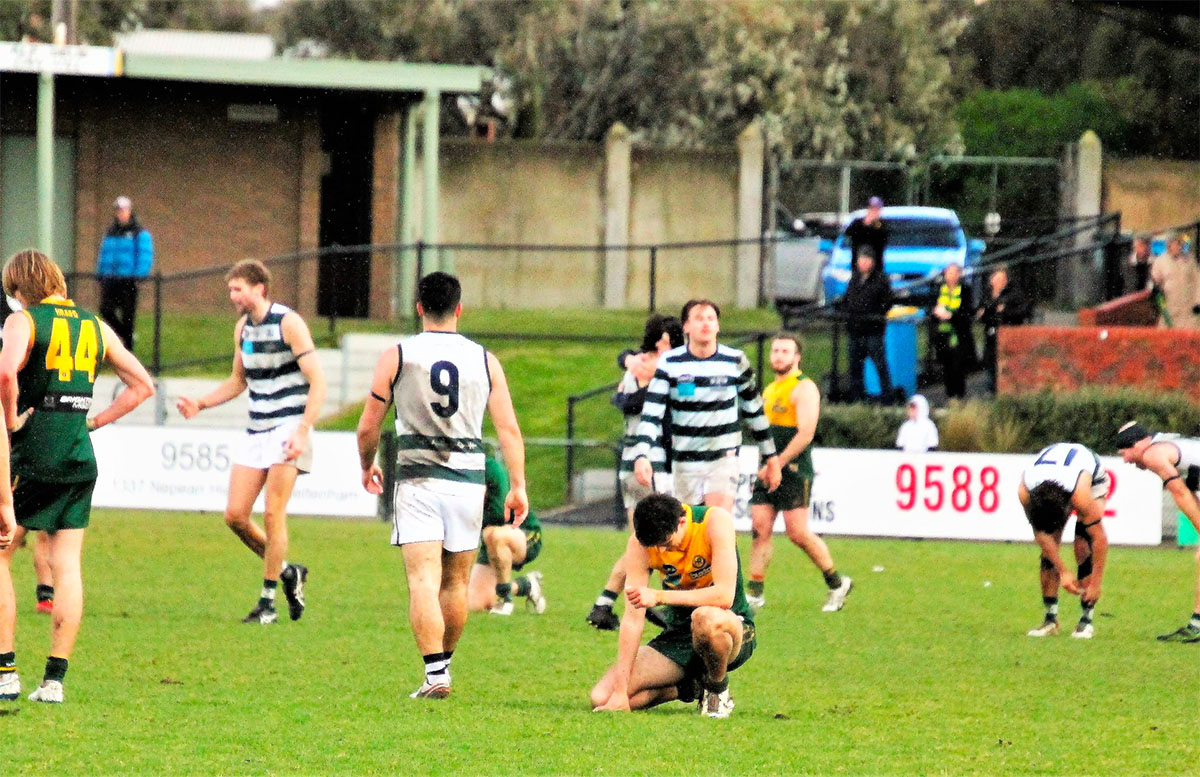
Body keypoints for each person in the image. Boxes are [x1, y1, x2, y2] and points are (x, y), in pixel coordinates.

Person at [356, 271, 527, 699]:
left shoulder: (398, 355)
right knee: (456, 583)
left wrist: (368, 464)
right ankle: (443, 668)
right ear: (459, 309)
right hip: (468, 482)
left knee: (422, 581)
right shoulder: (485, 359)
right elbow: (508, 428)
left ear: (418, 309)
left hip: (417, 479)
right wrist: (517, 485)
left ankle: (435, 675)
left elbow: (367, 427)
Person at [0, 249, 155, 703]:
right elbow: (143, 385)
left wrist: (12, 422)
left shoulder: (23, 322)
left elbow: (7, 373)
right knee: (68, 565)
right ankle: (53, 682)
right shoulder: (95, 325)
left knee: (2, 557)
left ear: (20, 288)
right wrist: (95, 420)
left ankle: (6, 672)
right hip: (78, 453)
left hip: (31, 453)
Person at [176, 260, 325, 625]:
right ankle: (289, 572)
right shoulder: (242, 328)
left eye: (237, 289)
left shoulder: (289, 323)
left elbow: (318, 380)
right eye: (230, 290)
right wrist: (201, 402)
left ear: (259, 288)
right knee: (236, 516)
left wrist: (303, 430)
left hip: (289, 428)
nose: (232, 297)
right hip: (257, 430)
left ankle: (268, 603)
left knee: (274, 513)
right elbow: (237, 381)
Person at [590, 494, 755, 719]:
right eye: (656, 547)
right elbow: (632, 619)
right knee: (601, 697)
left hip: (730, 627)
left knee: (704, 618)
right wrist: (620, 691)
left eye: (666, 544)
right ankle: (690, 687)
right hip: (677, 637)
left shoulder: (714, 522)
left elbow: (724, 596)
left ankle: (717, 689)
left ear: (682, 521)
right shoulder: (639, 545)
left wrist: (659, 596)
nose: (663, 552)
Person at [633, 299, 781, 513]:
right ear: (686, 326)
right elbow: (651, 413)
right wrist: (642, 454)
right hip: (685, 461)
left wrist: (771, 458)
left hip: (722, 459)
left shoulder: (734, 361)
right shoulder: (671, 363)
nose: (706, 324)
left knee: (717, 522)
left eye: (711, 319)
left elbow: (754, 411)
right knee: (692, 530)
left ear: (718, 326)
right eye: (699, 318)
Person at [587, 314, 683, 631]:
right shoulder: (660, 370)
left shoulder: (636, 364)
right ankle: (666, 605)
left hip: (629, 459)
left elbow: (624, 398)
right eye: (674, 338)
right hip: (648, 459)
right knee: (659, 540)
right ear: (663, 342)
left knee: (640, 542)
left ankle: (603, 605)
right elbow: (639, 403)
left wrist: (627, 364)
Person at [746, 333, 852, 612]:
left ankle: (836, 583)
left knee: (797, 533)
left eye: (785, 351)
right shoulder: (769, 389)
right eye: (775, 351)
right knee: (759, 527)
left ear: (797, 357)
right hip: (768, 468)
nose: (778, 355)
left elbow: (805, 434)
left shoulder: (804, 388)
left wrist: (777, 464)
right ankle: (754, 594)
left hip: (792, 469)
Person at [1114, 422, 1200, 642]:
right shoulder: (1161, 442)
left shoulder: (1152, 454)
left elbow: (1179, 493)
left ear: (1139, 444)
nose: (1126, 460)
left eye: (1126, 453)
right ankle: (1197, 623)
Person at [1018, 442, 1109, 640]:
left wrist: (1096, 584)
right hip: (1058, 476)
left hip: (1088, 476)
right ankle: (1050, 620)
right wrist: (1063, 570)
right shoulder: (1025, 492)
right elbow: (1041, 535)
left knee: (1083, 546)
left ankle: (1086, 622)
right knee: (1049, 549)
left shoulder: (1081, 496)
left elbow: (1100, 539)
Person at [466, 455, 545, 616]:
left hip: (523, 533)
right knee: (475, 603)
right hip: (490, 541)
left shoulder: (490, 468)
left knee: (493, 535)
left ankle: (505, 600)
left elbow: (501, 515)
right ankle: (526, 585)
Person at [96, 196, 154, 350]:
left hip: (128, 280)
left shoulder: (138, 233)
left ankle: (128, 349)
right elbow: (105, 254)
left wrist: (139, 275)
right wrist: (101, 273)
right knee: (106, 310)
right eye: (118, 210)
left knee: (128, 316)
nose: (120, 213)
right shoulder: (110, 232)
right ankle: (125, 335)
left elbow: (145, 255)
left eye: (123, 210)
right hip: (111, 279)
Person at [839, 246, 894, 403]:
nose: (862, 263)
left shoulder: (881, 280)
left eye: (865, 259)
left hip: (873, 331)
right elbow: (848, 299)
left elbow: (888, 301)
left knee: (880, 365)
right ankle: (857, 398)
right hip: (855, 330)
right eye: (860, 259)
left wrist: (876, 314)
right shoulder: (854, 280)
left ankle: (887, 397)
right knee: (855, 367)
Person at [976, 266, 1029, 393]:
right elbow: (981, 313)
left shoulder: (1014, 294)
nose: (999, 282)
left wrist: (1005, 311)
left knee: (1006, 366)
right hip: (990, 335)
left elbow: (1023, 311)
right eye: (997, 279)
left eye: (1002, 279)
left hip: (1007, 335)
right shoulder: (987, 294)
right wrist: (983, 314)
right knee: (990, 366)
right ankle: (991, 392)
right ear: (991, 280)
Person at [930, 262, 975, 400]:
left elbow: (967, 312)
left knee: (958, 367)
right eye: (948, 272)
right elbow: (931, 309)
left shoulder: (965, 290)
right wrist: (936, 312)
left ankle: (959, 396)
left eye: (955, 273)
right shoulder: (939, 289)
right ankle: (950, 396)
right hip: (942, 334)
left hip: (958, 336)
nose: (951, 276)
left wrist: (950, 316)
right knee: (946, 366)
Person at [1149, 233, 1200, 329]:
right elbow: (1154, 281)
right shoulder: (1160, 261)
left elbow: (1198, 281)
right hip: (1170, 309)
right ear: (1169, 244)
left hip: (1189, 310)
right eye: (1176, 243)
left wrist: (1198, 302)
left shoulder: (1189, 260)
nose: (1179, 246)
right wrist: (1155, 288)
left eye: (1180, 243)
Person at [843, 196, 889, 272]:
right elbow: (848, 234)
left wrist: (874, 225)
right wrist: (866, 224)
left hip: (876, 269)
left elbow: (883, 240)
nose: (874, 211)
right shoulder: (857, 223)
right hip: (857, 268)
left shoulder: (882, 225)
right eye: (872, 208)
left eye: (877, 209)